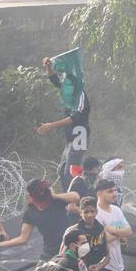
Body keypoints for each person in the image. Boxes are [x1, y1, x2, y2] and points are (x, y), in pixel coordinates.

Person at [0, 178, 76, 260]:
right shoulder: (31, 212)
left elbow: (76, 197)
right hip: (50, 252)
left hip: (69, 245)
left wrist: (55, 195)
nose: (42, 204)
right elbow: (23, 238)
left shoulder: (56, 201)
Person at [38, 55, 92, 184]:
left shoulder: (79, 94)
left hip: (80, 135)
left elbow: (75, 118)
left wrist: (51, 125)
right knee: (62, 171)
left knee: (71, 171)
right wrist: (49, 66)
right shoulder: (68, 90)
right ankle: (70, 199)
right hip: (71, 138)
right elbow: (54, 80)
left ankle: (79, 197)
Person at [92, 178, 132, 271]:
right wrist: (121, 234)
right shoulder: (94, 213)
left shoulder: (116, 210)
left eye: (115, 190)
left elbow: (129, 231)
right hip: (104, 266)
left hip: (119, 264)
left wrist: (112, 230)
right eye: (110, 191)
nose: (114, 194)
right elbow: (98, 240)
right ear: (99, 193)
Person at [69, 197, 109, 271]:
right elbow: (65, 255)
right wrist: (85, 268)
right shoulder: (73, 230)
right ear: (80, 213)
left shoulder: (101, 229)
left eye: (92, 211)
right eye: (86, 212)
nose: (90, 215)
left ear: (96, 212)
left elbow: (107, 255)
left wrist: (99, 267)